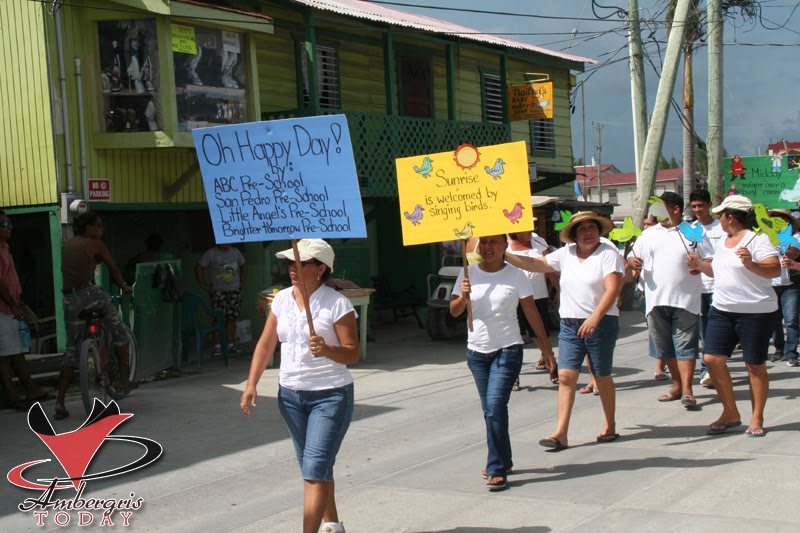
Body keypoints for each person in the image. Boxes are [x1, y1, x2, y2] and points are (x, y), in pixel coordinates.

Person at [241, 239, 358, 533]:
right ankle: (332, 523)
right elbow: (266, 343)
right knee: (314, 467)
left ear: (320, 269)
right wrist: (251, 383)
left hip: (330, 396)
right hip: (290, 396)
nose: (293, 268)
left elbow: (352, 352)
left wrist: (328, 349)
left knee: (314, 470)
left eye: (302, 263)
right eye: (291, 263)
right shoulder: (281, 300)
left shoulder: (337, 303)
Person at [505, 212, 624, 449]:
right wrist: (503, 254)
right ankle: (560, 433)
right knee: (567, 376)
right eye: (582, 228)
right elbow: (536, 264)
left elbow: (613, 289)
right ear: (574, 234)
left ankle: (610, 425)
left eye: (592, 227)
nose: (588, 232)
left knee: (601, 375)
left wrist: (594, 318)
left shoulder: (608, 254)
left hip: (601, 322)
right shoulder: (565, 253)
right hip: (570, 323)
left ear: (599, 231)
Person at [451, 234, 554, 491]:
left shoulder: (516, 275)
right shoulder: (467, 274)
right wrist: (463, 297)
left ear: (504, 246)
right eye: (483, 242)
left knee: (495, 405)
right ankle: (504, 458)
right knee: (492, 409)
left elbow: (531, 312)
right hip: (476, 352)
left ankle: (496, 466)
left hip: (508, 349)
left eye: (494, 242)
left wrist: (546, 349)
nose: (488, 247)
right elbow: (453, 311)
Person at [689, 195, 779, 437]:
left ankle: (757, 417)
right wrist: (699, 264)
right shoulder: (723, 242)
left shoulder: (757, 240)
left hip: (756, 312)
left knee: (754, 364)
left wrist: (752, 265)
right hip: (723, 310)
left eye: (720, 215)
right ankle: (731, 412)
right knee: (712, 358)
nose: (718, 219)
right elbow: (718, 272)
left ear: (731, 217)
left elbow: (774, 269)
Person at [629, 192, 712, 408]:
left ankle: (688, 390)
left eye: (661, 207)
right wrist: (633, 261)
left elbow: (710, 258)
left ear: (675, 209)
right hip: (654, 300)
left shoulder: (692, 232)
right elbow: (632, 255)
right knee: (664, 348)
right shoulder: (648, 234)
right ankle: (676, 385)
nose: (655, 212)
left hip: (685, 300)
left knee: (685, 347)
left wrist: (700, 266)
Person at [55, 212, 135, 420]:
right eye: (98, 225)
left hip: (69, 299)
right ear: (88, 228)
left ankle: (60, 401)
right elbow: (114, 269)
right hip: (90, 294)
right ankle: (124, 381)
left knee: (72, 350)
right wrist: (125, 287)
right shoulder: (95, 244)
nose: (101, 229)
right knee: (119, 332)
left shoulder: (67, 243)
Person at [0, 211, 52, 410]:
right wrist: (13, 304)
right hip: (3, 310)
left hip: (11, 309)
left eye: (9, 223)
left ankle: (30, 389)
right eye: (5, 224)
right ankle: (12, 395)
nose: (10, 227)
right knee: (5, 355)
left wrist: (17, 303)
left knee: (17, 351)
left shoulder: (5, 248)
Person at [507, 230, 556, 390]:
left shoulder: (538, 240)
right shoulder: (504, 244)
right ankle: (514, 374)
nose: (529, 230)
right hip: (512, 298)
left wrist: (559, 289)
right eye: (525, 228)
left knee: (541, 333)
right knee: (516, 337)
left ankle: (550, 360)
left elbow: (549, 267)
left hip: (537, 295)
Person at [689, 190, 726, 387]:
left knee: (715, 330)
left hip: (719, 286)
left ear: (709, 205)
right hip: (699, 288)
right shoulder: (691, 229)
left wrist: (708, 261)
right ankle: (707, 370)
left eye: (700, 206)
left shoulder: (721, 227)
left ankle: (714, 368)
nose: (697, 210)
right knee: (704, 331)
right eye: (694, 207)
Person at [195, 243, 247, 356]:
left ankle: (231, 345)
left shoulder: (235, 252)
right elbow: (199, 267)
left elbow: (244, 265)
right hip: (218, 291)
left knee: (232, 317)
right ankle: (217, 346)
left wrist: (242, 281)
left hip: (234, 290)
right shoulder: (211, 253)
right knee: (218, 318)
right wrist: (203, 285)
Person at [766, 209, 800, 366]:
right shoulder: (765, 238)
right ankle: (779, 349)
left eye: (781, 219)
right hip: (771, 284)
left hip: (791, 285)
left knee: (792, 320)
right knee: (774, 321)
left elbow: (794, 252)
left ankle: (791, 352)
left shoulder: (795, 237)